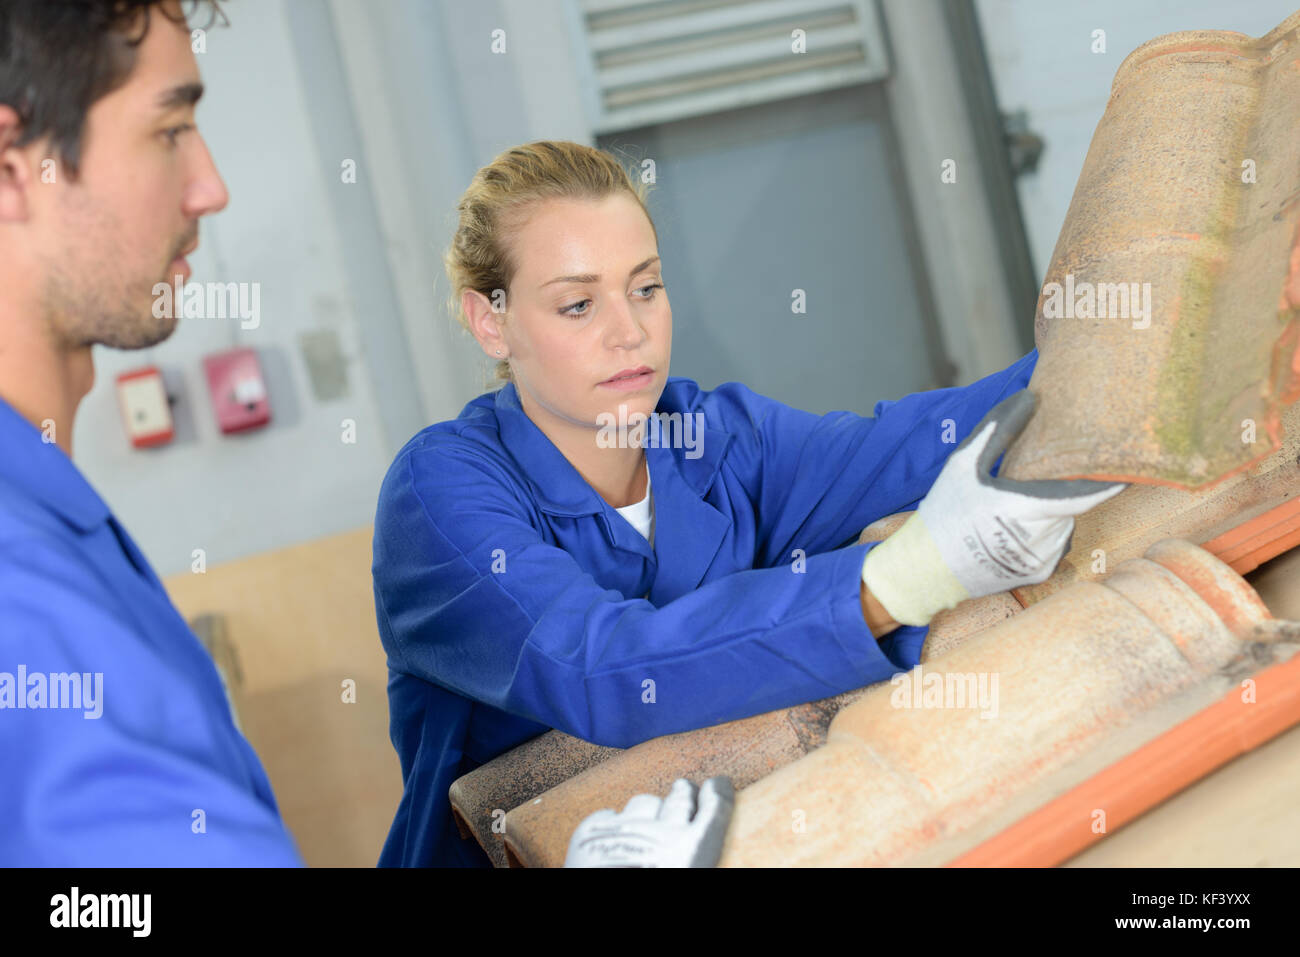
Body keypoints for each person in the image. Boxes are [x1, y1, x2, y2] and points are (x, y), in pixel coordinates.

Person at [370, 140, 1125, 868]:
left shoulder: (711, 439)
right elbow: (606, 667)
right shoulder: (439, 494)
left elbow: (903, 447)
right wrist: (909, 576)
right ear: (490, 320)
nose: (629, 331)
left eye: (646, 287)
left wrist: (1105, 343)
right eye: (576, 304)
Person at [0, 0, 301, 865]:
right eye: (170, 129)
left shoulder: (49, 510)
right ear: (15, 171)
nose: (211, 185)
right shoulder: (22, 596)